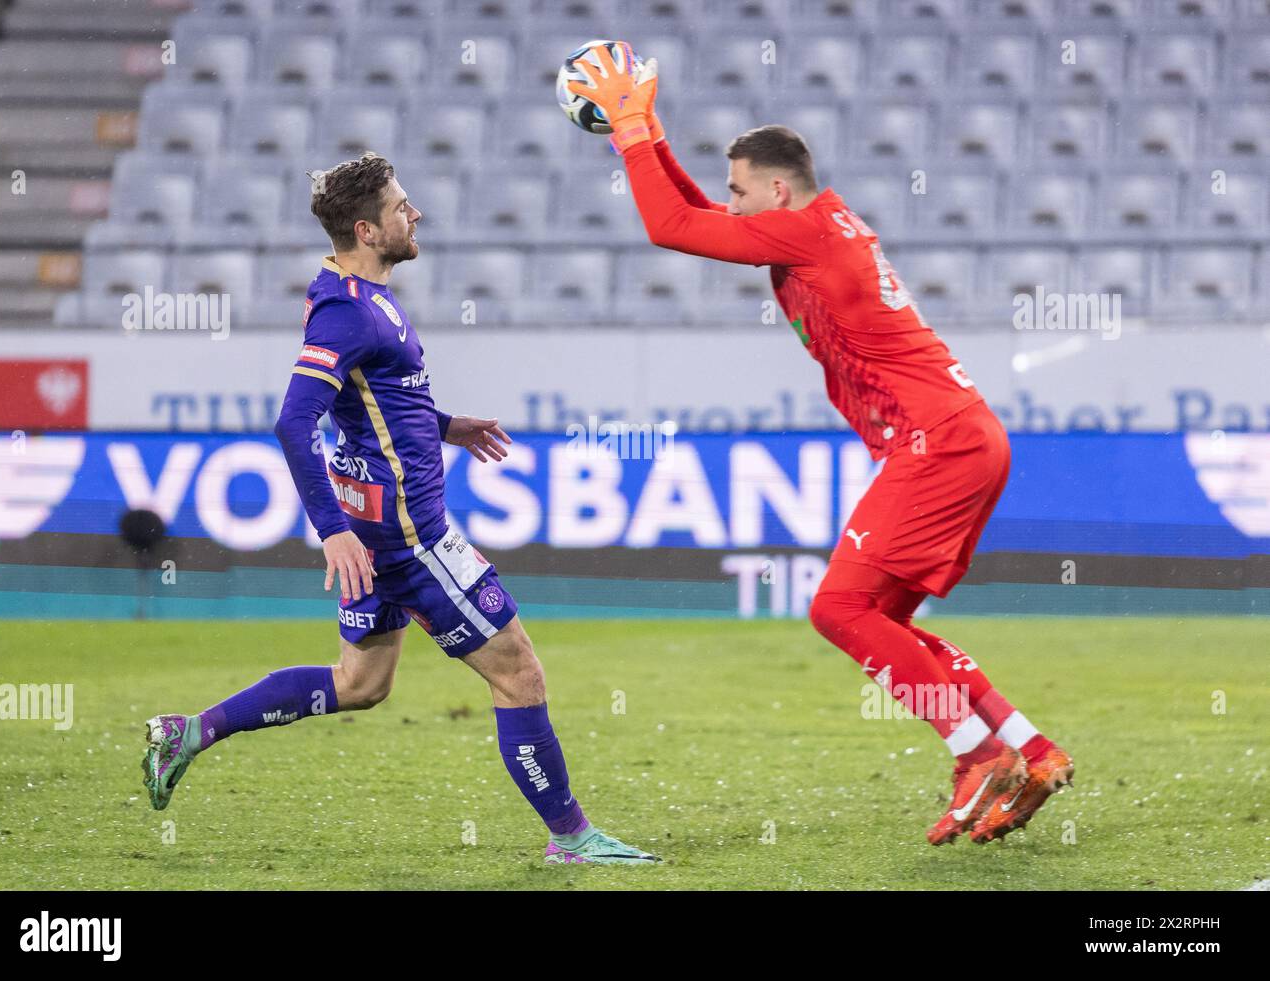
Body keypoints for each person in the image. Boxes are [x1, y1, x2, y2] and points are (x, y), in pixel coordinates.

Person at [567, 45, 1073, 844]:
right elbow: (695, 213)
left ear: (776, 190)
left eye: (740, 191)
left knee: (837, 607)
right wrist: (652, 133)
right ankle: (1029, 748)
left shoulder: (804, 233)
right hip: (966, 434)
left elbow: (671, 226)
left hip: (935, 440)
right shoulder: (817, 224)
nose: (731, 206)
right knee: (887, 622)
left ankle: (978, 753)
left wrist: (628, 124)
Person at [141, 151, 658, 866]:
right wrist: (332, 531)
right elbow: (294, 422)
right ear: (367, 229)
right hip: (409, 539)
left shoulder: (356, 294)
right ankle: (572, 837)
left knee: (360, 684)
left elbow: (372, 401)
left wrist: (445, 425)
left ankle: (190, 731)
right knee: (519, 673)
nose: (415, 214)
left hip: (377, 527)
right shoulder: (348, 314)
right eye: (400, 207)